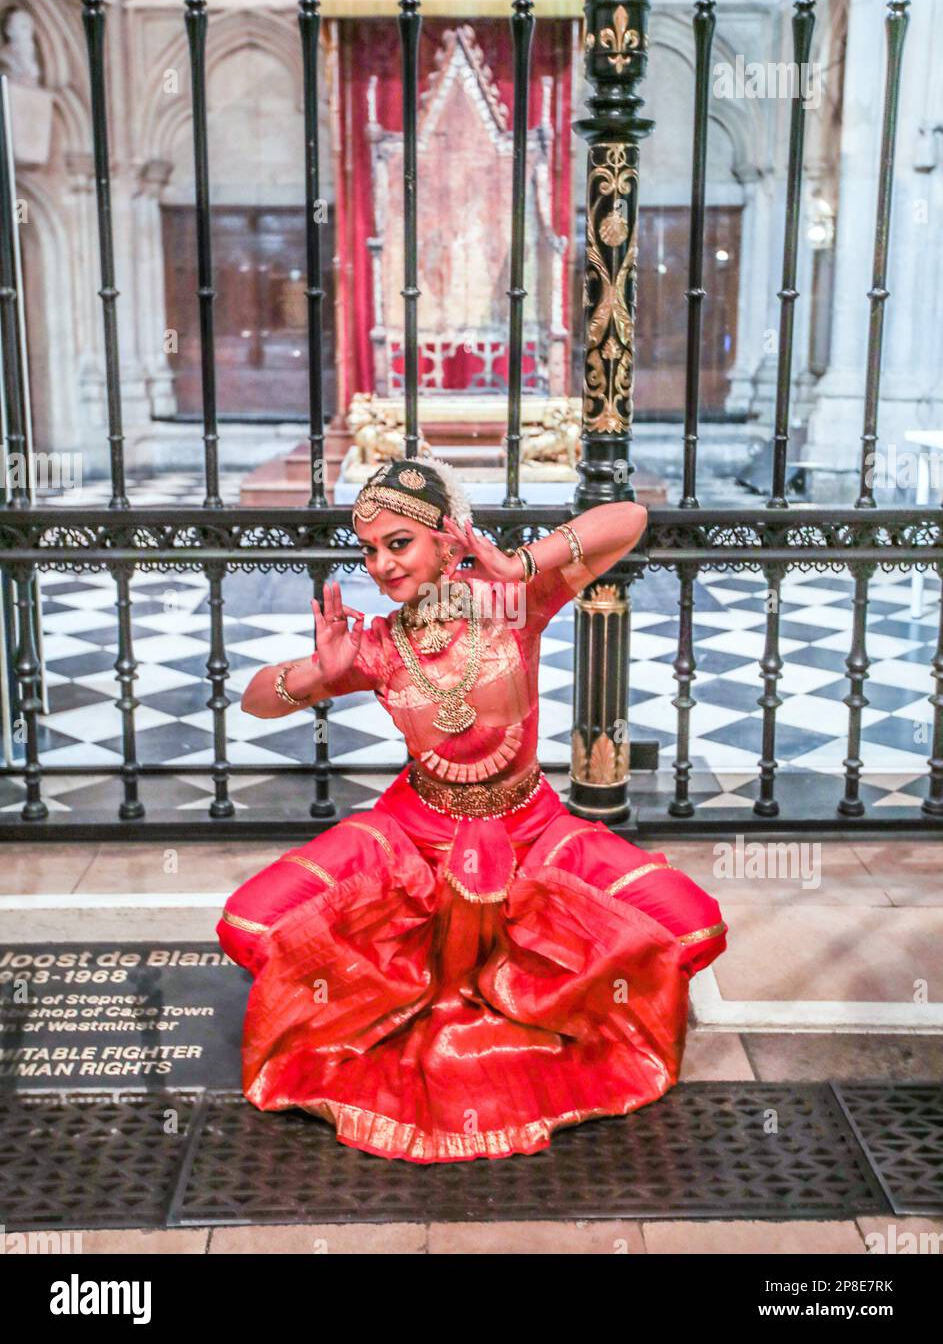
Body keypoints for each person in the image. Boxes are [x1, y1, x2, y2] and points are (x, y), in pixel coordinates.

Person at [218, 457, 727, 1164]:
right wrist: (318, 675)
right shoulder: (378, 644)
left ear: (448, 540)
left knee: (689, 924)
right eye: (369, 550)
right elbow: (254, 700)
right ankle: (408, 989)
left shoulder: (510, 600)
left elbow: (628, 520)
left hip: (532, 828)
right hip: (409, 833)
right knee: (248, 921)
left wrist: (521, 561)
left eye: (399, 543)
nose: (382, 565)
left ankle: (521, 995)